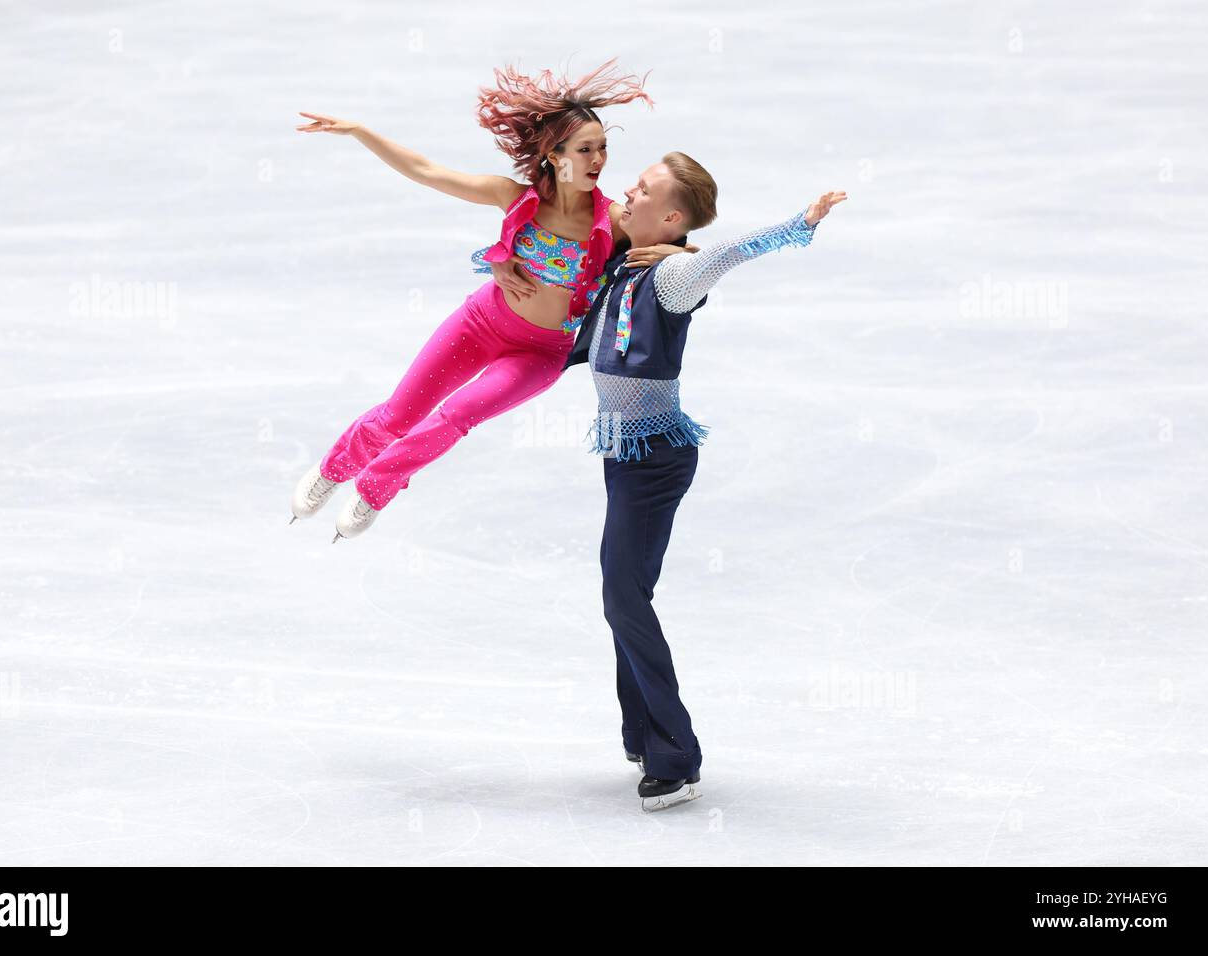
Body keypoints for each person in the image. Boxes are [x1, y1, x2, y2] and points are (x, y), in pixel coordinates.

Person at [486, 153, 846, 810]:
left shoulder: (673, 273)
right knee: (619, 594)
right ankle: (641, 729)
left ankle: (675, 756)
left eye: (644, 188)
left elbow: (727, 255)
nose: (629, 187)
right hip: (623, 455)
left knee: (623, 597)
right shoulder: (628, 260)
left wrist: (800, 223)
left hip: (654, 458)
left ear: (673, 217)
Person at [287, 60, 689, 541]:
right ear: (554, 155)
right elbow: (427, 172)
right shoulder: (513, 197)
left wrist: (671, 248)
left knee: (455, 417)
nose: (599, 159)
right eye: (585, 149)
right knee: (400, 414)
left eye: (603, 148)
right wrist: (360, 131)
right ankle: (334, 470)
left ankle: (376, 487)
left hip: (540, 354)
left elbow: (674, 237)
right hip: (480, 324)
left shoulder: (615, 217)